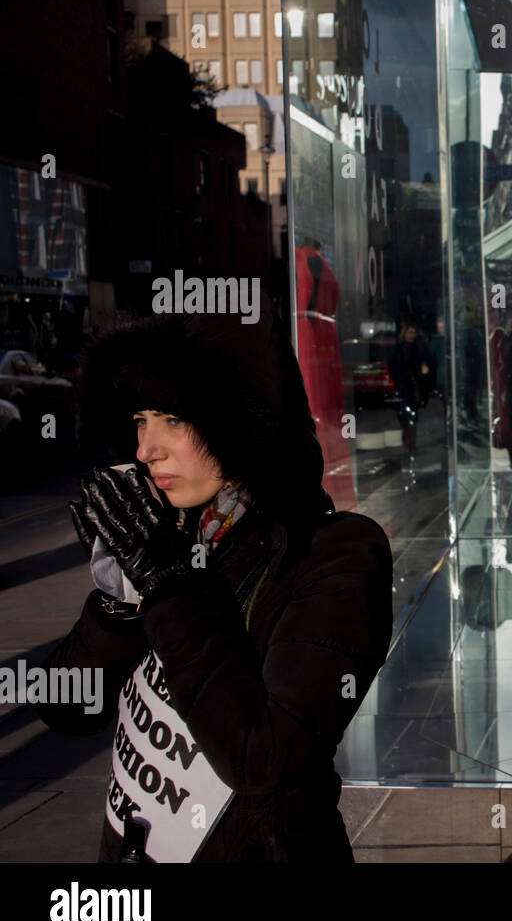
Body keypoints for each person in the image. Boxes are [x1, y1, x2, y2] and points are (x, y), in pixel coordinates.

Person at [38, 310, 394, 862]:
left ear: (239, 427)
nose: (145, 448)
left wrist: (167, 585)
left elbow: (265, 759)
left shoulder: (334, 554)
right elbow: (66, 706)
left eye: (172, 420)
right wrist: (118, 604)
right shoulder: (170, 530)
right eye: (140, 419)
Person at [388, 322, 434, 455]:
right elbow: (393, 366)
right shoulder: (399, 348)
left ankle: (411, 441)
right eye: (409, 332)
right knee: (403, 414)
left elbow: (426, 361)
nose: (411, 335)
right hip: (403, 384)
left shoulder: (419, 347)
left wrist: (423, 370)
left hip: (413, 385)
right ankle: (408, 438)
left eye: (413, 333)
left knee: (412, 414)